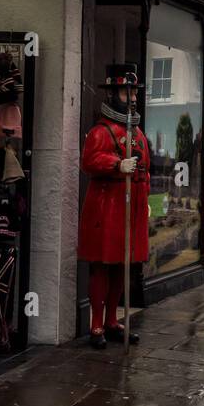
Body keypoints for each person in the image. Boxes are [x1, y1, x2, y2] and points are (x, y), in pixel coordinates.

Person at [78, 64, 151, 350]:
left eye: (133, 92)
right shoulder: (100, 131)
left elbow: (145, 166)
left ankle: (112, 319)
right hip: (107, 209)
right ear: (113, 94)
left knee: (123, 267)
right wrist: (116, 164)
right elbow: (89, 161)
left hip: (131, 209)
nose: (132, 98)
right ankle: (96, 322)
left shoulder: (138, 132)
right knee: (101, 267)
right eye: (126, 91)